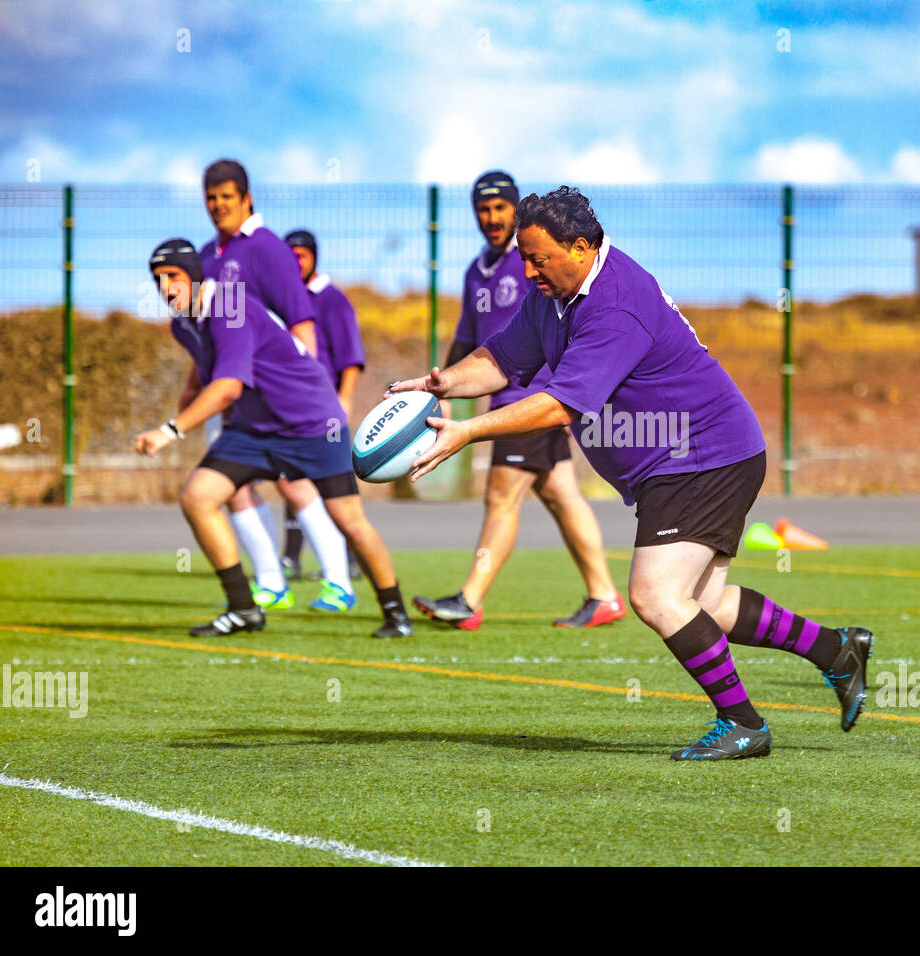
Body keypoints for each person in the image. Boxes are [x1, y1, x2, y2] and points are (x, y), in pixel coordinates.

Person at [389, 186, 873, 760]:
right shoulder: (553, 294)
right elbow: (502, 358)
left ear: (580, 248)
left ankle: (743, 724)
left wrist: (468, 431)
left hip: (704, 454)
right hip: (680, 461)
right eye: (524, 257)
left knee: (654, 594)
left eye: (538, 258)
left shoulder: (615, 303)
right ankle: (836, 649)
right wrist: (442, 384)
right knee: (703, 603)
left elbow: (560, 405)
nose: (527, 271)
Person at [135, 238, 412, 639]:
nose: (165, 287)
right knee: (198, 497)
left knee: (349, 520)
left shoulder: (229, 306)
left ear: (194, 276)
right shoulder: (183, 324)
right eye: (158, 279)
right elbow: (208, 369)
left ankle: (395, 613)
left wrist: (170, 430)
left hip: (312, 423)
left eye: (173, 276)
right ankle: (243, 609)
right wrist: (189, 398)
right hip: (254, 429)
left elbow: (228, 386)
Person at [410, 171, 625, 631]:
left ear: (514, 210)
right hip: (504, 395)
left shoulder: (532, 260)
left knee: (501, 496)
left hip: (533, 397)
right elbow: (467, 339)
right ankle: (604, 595)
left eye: (500, 208)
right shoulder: (475, 271)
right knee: (561, 495)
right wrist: (442, 390)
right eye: (483, 210)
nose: (491, 218)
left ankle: (469, 600)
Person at [199, 159, 356, 614]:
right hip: (233, 392)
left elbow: (301, 323)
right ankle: (271, 583)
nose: (218, 205)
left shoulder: (268, 249)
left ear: (246, 198)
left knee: (294, 483)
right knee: (230, 486)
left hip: (279, 393)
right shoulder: (208, 257)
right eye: (211, 198)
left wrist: (312, 391)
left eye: (227, 197)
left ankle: (339, 582)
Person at [280, 228, 366, 589]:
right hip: (290, 406)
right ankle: (291, 557)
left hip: (325, 406)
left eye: (301, 256)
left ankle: (351, 560)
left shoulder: (332, 299)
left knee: (333, 481)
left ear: (315, 257)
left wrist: (344, 399)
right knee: (291, 478)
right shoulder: (283, 297)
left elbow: (350, 357)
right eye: (290, 257)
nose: (295, 263)